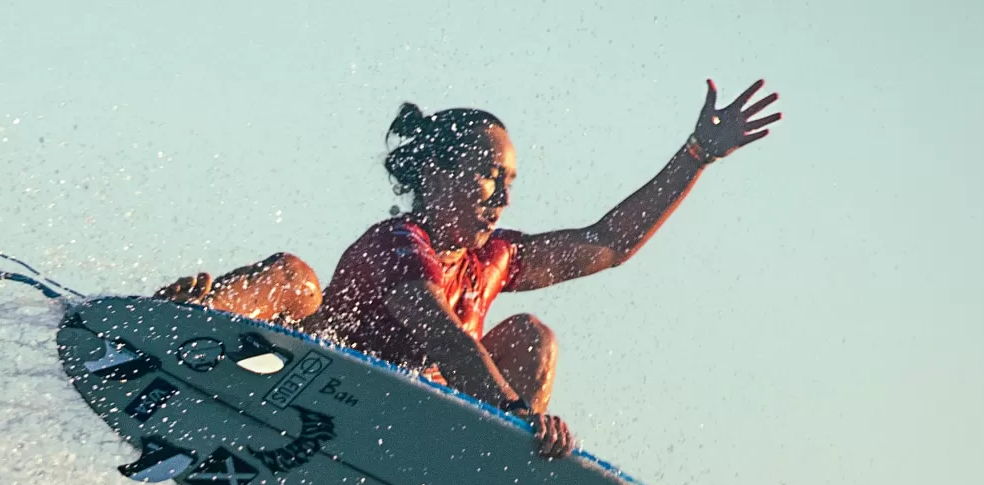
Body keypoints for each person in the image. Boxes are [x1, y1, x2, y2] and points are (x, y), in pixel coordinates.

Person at [155, 80, 781, 458]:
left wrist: (696, 156)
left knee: (532, 336)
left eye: (509, 182)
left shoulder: (491, 260)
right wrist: (517, 412)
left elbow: (608, 242)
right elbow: (445, 340)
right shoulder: (398, 242)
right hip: (296, 382)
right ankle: (182, 323)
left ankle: (501, 467)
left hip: (404, 429)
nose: (502, 197)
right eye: (488, 176)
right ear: (436, 175)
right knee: (296, 277)